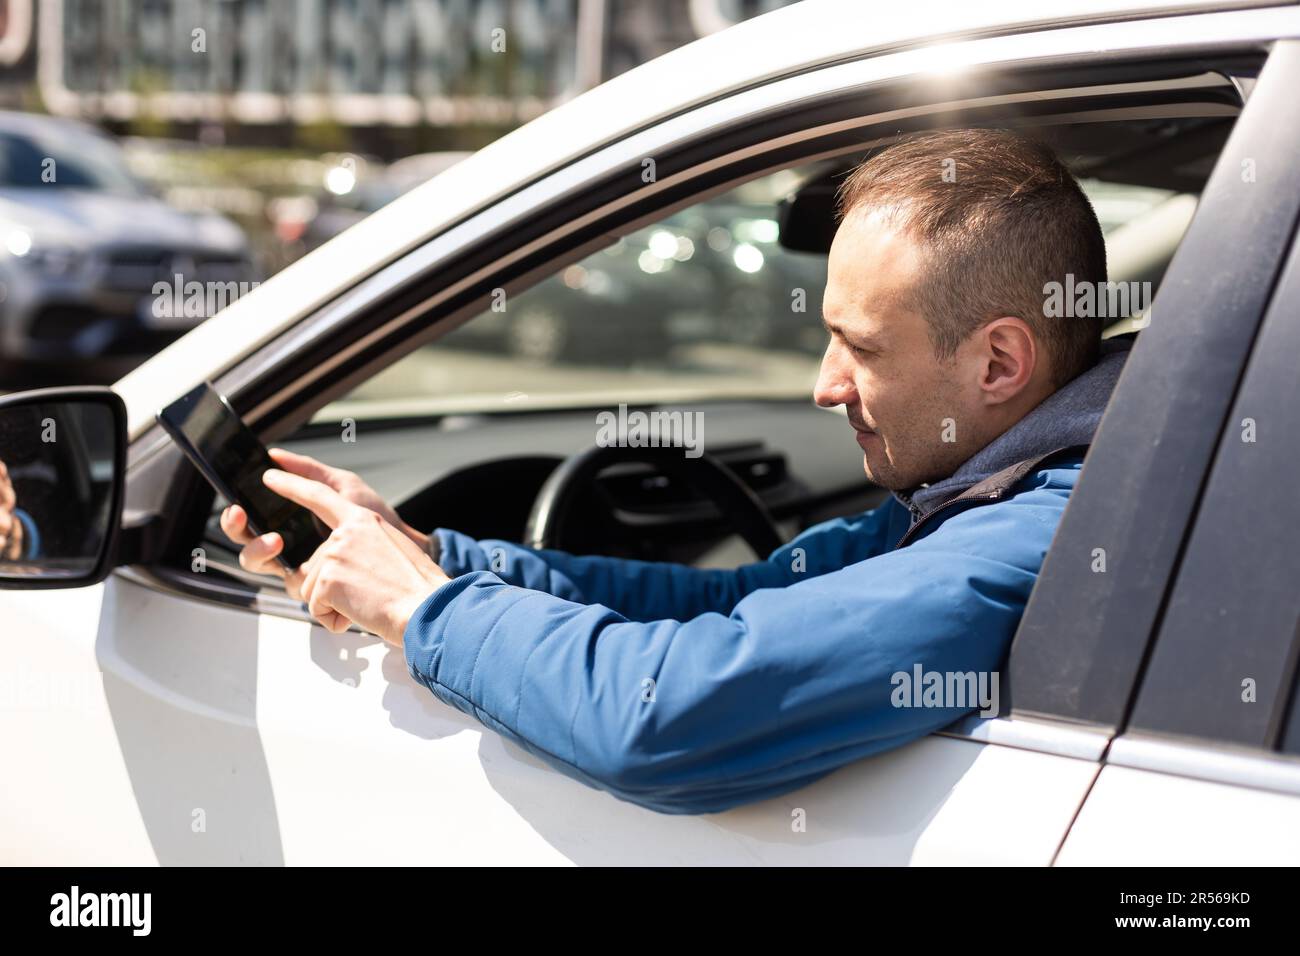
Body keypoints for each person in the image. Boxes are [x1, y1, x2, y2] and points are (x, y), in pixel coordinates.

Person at [222, 129, 1131, 814]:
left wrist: (423, 609)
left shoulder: (1044, 532)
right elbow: (727, 604)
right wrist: (429, 554)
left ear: (999, 365)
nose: (825, 386)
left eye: (861, 347)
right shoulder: (981, 486)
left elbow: (669, 712)